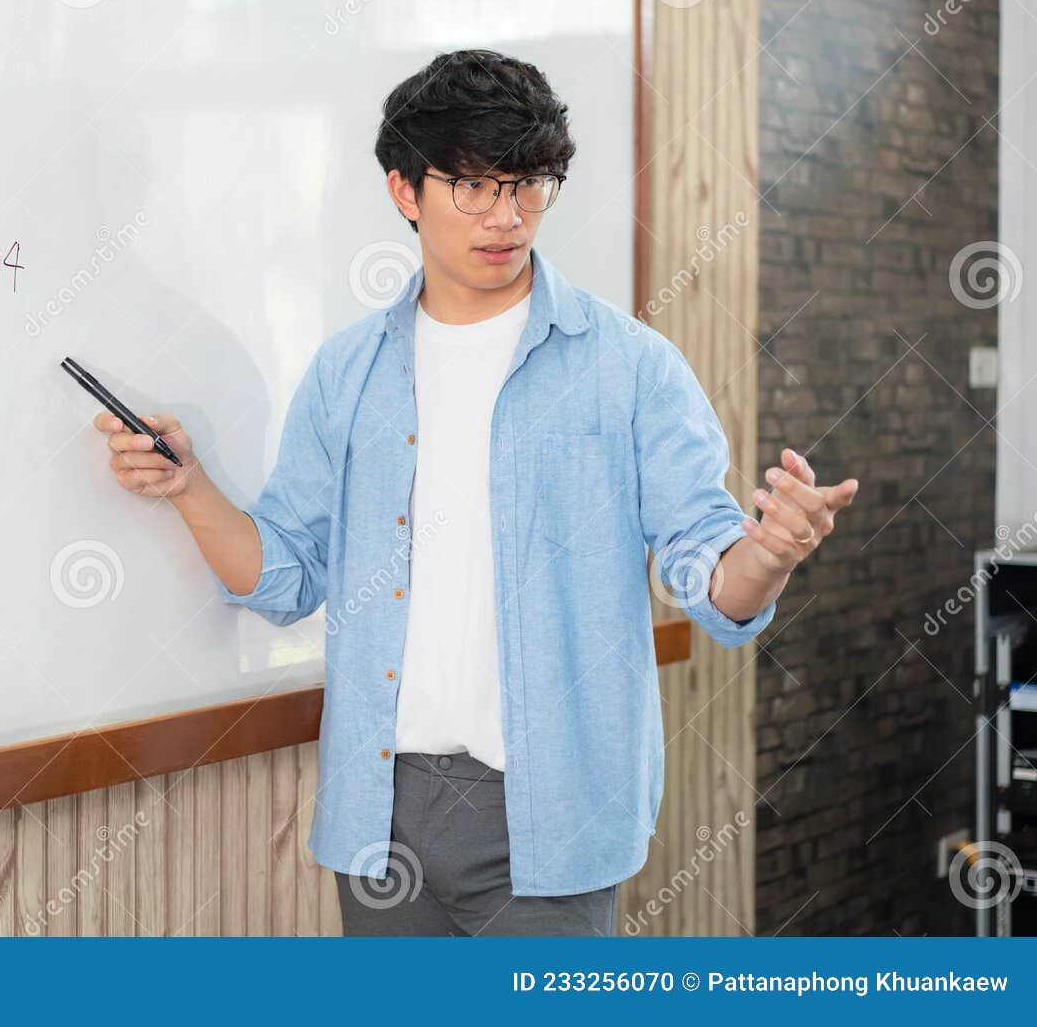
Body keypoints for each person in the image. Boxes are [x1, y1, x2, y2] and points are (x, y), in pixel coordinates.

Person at [91, 49, 859, 936]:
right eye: (473, 186)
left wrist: (765, 553)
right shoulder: (348, 372)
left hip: (553, 812)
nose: (507, 217)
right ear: (404, 191)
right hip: (384, 809)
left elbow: (711, 582)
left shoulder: (630, 366)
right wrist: (190, 488)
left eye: (529, 186)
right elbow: (287, 575)